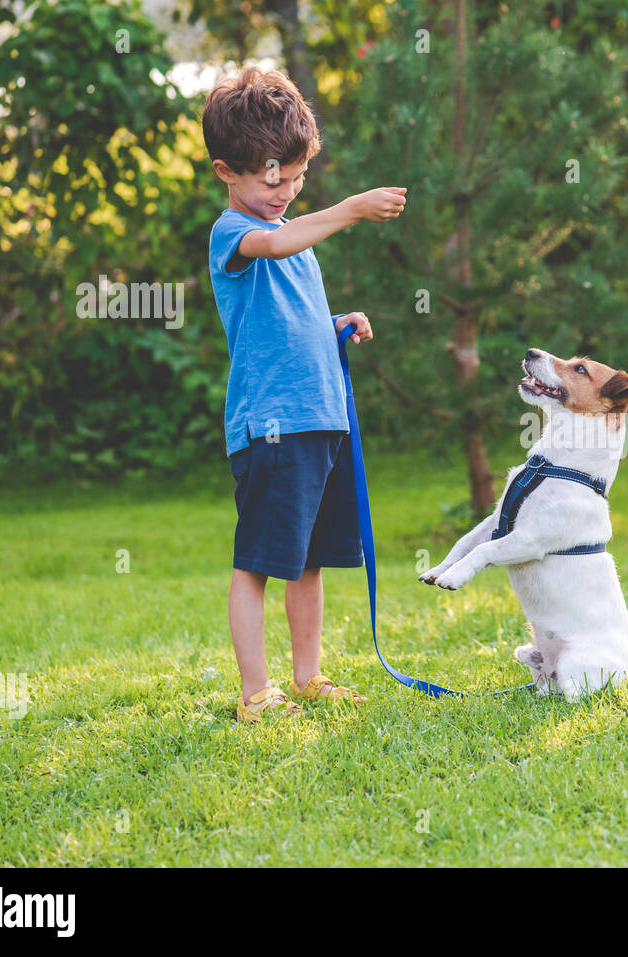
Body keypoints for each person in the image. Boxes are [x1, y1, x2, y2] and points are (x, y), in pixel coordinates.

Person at [202, 66, 407, 722]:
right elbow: (273, 242)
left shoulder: (295, 240)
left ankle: (307, 676)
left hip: (320, 418)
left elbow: (284, 318)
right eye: (272, 179)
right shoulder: (233, 234)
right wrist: (347, 208)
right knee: (257, 563)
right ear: (225, 172)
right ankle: (256, 693)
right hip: (272, 426)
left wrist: (333, 325)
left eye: (297, 178)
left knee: (309, 561)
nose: (285, 192)